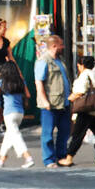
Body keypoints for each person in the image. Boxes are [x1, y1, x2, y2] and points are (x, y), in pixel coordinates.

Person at [64, 55, 95, 167]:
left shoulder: (84, 75)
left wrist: (70, 98)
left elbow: (80, 91)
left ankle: (69, 157)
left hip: (85, 110)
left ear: (81, 65)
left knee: (77, 135)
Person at [35, 35, 72, 168]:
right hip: (50, 103)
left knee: (65, 131)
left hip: (64, 103)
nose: (63, 47)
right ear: (54, 46)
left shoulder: (60, 60)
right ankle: (49, 159)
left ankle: (61, 156)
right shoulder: (43, 61)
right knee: (48, 133)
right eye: (61, 45)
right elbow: (39, 82)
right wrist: (44, 101)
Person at [0, 61, 32, 168]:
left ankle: (28, 157)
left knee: (16, 136)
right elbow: (28, 94)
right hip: (20, 112)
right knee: (9, 136)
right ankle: (1, 160)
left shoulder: (2, 82)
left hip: (9, 113)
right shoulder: (21, 81)